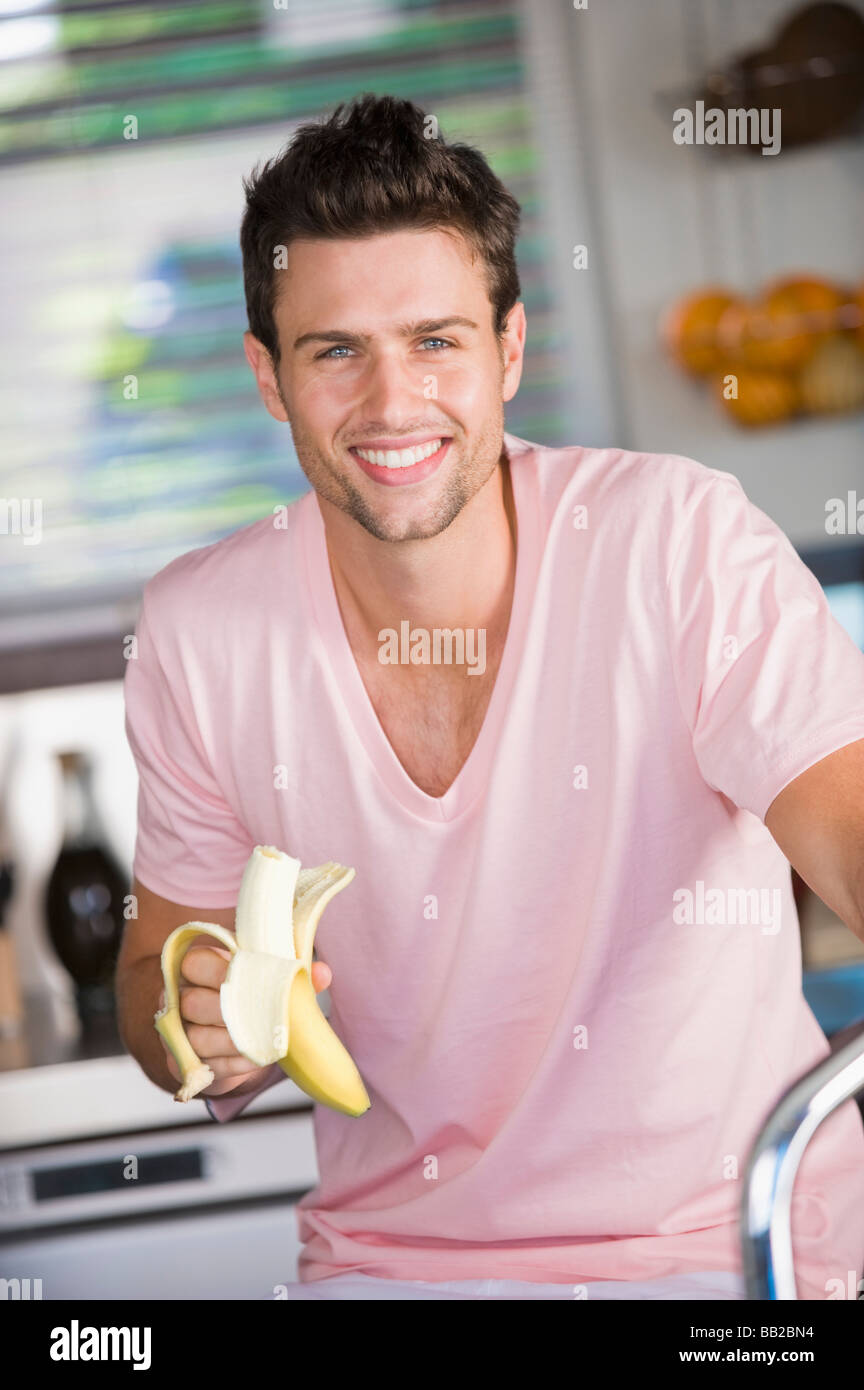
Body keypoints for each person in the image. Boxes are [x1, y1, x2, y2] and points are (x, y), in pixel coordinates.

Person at [117, 95, 864, 1302]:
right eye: (335, 350)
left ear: (509, 350)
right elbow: (159, 976)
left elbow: (849, 823)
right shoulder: (199, 631)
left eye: (435, 341)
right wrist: (193, 1019)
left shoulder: (677, 541)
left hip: (723, 1259)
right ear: (268, 376)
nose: (392, 402)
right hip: (389, 1273)